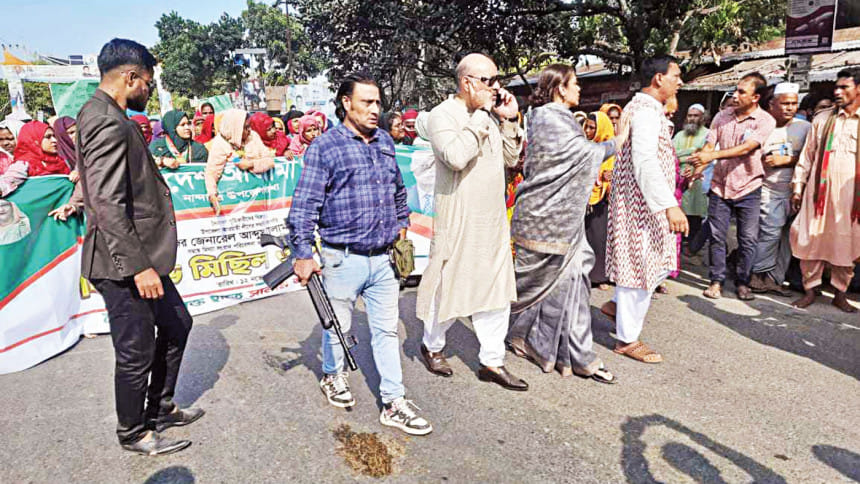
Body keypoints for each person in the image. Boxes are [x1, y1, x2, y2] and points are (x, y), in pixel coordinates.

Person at [286, 73, 433, 436]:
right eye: (366, 102)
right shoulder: (325, 147)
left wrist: (401, 223)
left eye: (378, 102)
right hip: (341, 258)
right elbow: (304, 207)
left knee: (385, 331)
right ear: (345, 103)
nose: (374, 109)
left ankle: (393, 401)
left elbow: (399, 189)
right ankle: (333, 375)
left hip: (384, 260)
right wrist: (304, 253)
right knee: (339, 329)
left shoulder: (384, 141)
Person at [76, 38, 202, 456]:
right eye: (147, 82)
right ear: (130, 77)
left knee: (177, 324)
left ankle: (160, 408)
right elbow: (109, 202)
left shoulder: (104, 114)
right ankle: (134, 432)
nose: (149, 89)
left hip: (140, 254)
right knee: (135, 350)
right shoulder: (108, 121)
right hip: (123, 262)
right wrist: (138, 267)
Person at [415, 53, 528, 391]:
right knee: (449, 289)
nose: (496, 88)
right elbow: (455, 157)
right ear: (467, 83)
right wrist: (481, 116)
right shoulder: (442, 115)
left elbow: (510, 158)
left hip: (491, 222)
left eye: (497, 80)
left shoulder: (491, 116)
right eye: (488, 81)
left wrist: (508, 120)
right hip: (458, 221)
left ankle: (492, 361)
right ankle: (432, 345)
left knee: (496, 292)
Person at [507, 64, 617, 383]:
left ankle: (526, 339)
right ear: (560, 88)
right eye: (575, 84)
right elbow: (584, 155)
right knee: (562, 285)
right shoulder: (550, 117)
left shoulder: (547, 117)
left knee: (559, 285)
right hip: (549, 220)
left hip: (550, 217)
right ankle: (580, 358)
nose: (580, 89)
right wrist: (617, 141)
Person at [604, 55, 686, 364]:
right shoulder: (647, 113)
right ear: (658, 79)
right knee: (639, 267)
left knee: (653, 262)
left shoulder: (645, 108)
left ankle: (616, 306)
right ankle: (627, 340)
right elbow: (646, 162)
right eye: (675, 75)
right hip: (641, 207)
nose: (680, 82)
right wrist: (669, 206)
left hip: (641, 203)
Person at [689, 72, 776, 300]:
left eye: (741, 92)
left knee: (748, 239)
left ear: (755, 97)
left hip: (749, 187)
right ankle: (716, 281)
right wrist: (697, 170)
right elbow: (709, 146)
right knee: (717, 237)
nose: (735, 95)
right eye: (735, 90)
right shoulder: (722, 116)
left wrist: (713, 155)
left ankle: (743, 282)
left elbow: (747, 148)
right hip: (720, 186)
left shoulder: (766, 121)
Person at [789, 68, 860, 313]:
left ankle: (840, 293)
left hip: (851, 200)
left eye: (844, 88)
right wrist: (798, 187)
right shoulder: (821, 119)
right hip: (817, 195)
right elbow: (807, 157)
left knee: (849, 244)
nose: (837, 92)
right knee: (809, 239)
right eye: (836, 88)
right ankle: (810, 290)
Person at [748, 83, 811, 296]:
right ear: (772, 104)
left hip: (795, 191)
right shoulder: (762, 126)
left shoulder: (805, 127)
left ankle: (775, 280)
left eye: (794, 103)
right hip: (766, 189)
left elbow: (809, 157)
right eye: (785, 103)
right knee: (770, 233)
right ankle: (756, 275)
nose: (790, 108)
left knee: (787, 237)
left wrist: (787, 160)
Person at [204, 109, 275, 215]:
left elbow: (269, 161)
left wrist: (251, 164)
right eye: (246, 128)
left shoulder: (253, 137)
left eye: (249, 126)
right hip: (234, 204)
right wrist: (212, 195)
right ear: (235, 129)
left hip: (258, 199)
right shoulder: (220, 143)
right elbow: (212, 172)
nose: (249, 130)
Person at [585, 111, 615, 290]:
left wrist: (612, 177)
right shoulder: (584, 146)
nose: (587, 131)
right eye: (586, 126)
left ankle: (599, 276)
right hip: (584, 198)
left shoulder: (611, 149)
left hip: (602, 199)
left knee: (599, 238)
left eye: (592, 128)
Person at [673, 104, 710, 243]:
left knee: (695, 212)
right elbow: (673, 154)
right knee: (679, 209)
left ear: (702, 117)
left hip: (699, 175)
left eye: (696, 116)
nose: (692, 119)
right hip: (678, 176)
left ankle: (692, 245)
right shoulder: (679, 135)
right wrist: (691, 153)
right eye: (690, 115)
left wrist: (693, 158)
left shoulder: (708, 134)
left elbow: (706, 155)